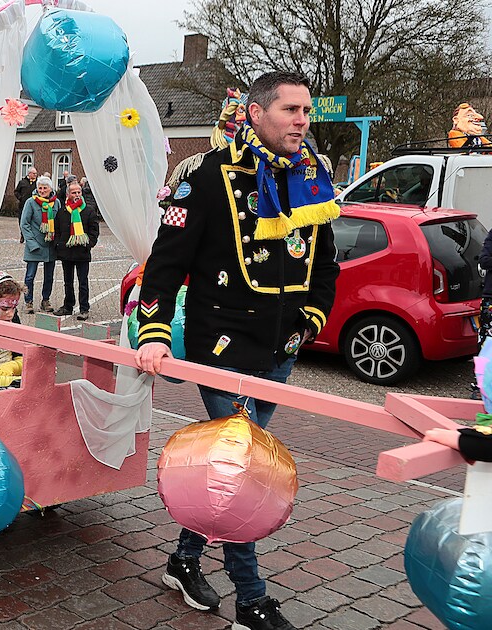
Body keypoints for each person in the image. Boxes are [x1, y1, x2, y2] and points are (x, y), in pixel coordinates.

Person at [134, 71, 340, 630]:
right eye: (290, 110)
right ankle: (252, 601)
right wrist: (153, 334)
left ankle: (183, 559)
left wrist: (311, 321)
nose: (302, 121)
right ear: (255, 113)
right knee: (243, 472)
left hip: (280, 351)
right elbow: (163, 268)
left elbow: (324, 266)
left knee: (225, 473)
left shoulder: (312, 175)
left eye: (306, 111)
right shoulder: (204, 175)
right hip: (222, 348)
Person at [52, 183, 97, 320]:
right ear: (68, 195)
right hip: (66, 252)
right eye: (74, 193)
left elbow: (94, 231)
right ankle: (68, 306)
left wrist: (88, 243)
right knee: (68, 281)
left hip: (82, 252)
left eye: (78, 192)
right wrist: (59, 244)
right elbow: (57, 229)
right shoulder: (63, 211)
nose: (77, 195)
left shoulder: (88, 211)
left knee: (83, 281)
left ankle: (84, 308)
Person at [20, 175, 57, 314]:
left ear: (50, 189)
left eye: (45, 188)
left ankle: (45, 300)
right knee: (30, 276)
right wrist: (31, 242)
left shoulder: (56, 203)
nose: (42, 190)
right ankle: (28, 301)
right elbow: (24, 223)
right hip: (34, 245)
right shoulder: (30, 202)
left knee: (49, 276)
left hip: (50, 245)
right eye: (40, 188)